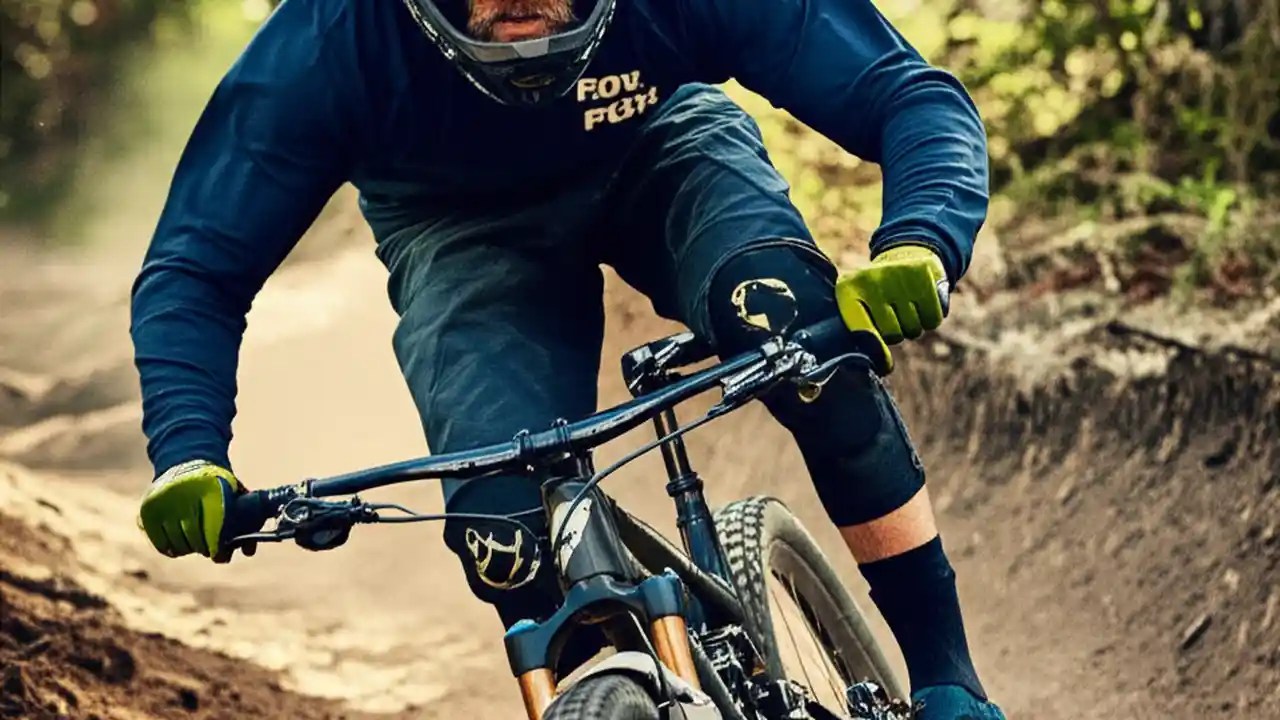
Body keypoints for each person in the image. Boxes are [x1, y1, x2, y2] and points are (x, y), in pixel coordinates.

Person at [131, 0, 1004, 717]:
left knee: (796, 335)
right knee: (501, 532)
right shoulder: (329, 41)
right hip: (457, 228)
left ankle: (948, 679)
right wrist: (189, 452)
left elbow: (908, 96)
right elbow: (196, 269)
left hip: (664, 151)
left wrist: (921, 240)